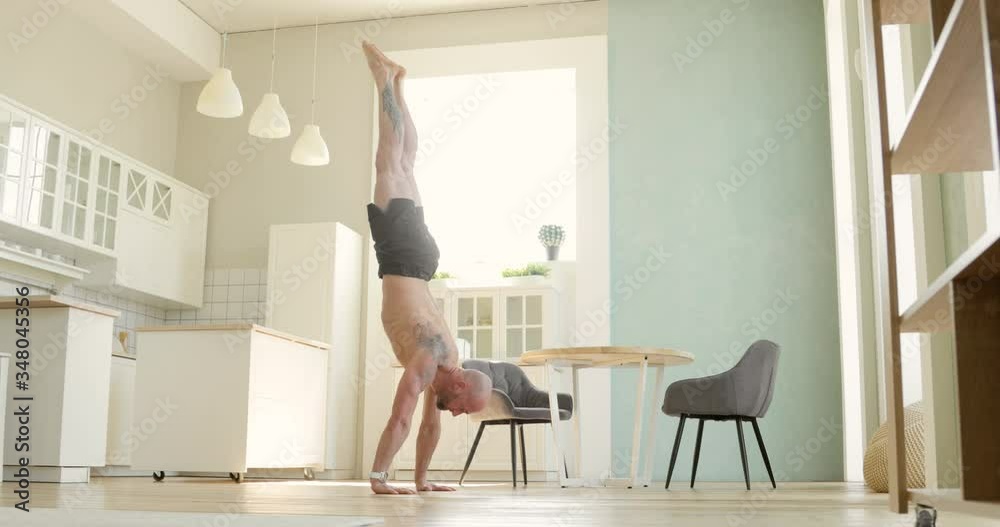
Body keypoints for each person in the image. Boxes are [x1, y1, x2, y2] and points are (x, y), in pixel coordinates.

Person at [362, 41, 493, 495]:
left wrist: (421, 481)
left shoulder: (446, 367)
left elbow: (427, 426)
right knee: (389, 160)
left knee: (406, 164)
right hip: (402, 255)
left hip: (419, 259)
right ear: (459, 383)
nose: (458, 413)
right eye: (462, 406)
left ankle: (399, 81)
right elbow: (401, 417)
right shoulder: (430, 359)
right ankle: (383, 78)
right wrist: (379, 479)